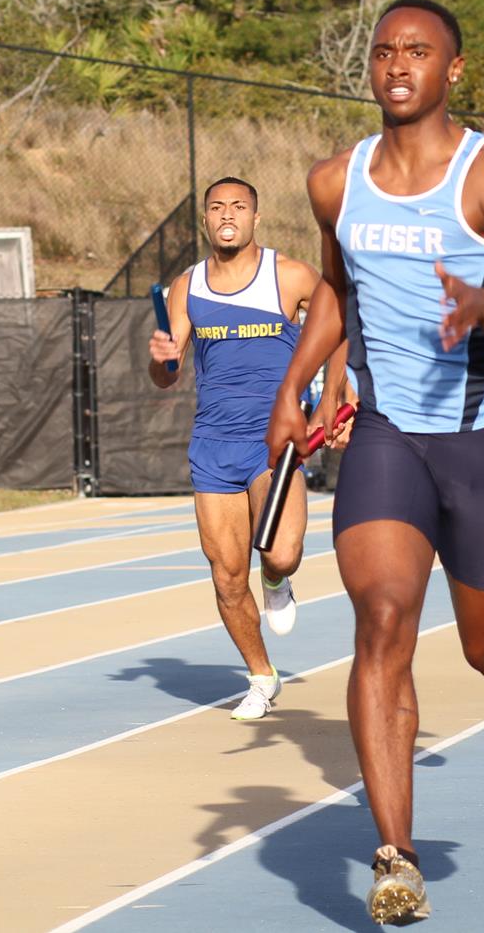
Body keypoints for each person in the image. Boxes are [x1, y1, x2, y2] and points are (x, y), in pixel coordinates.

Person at [264, 0, 484, 925]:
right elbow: (335, 294)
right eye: (385, 50)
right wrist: (295, 385)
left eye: (418, 51)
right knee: (382, 620)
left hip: (482, 440)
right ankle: (395, 854)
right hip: (386, 437)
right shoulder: (333, 182)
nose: (398, 64)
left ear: (453, 70)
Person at [148, 176, 344, 722]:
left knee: (279, 552)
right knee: (226, 576)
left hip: (273, 442)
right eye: (216, 207)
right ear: (206, 220)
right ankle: (261, 676)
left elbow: (340, 321)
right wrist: (162, 356)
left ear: (256, 218)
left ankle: (278, 579)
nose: (226, 214)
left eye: (238, 206)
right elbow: (166, 374)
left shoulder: (290, 276)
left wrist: (332, 391)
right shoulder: (187, 287)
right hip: (212, 444)